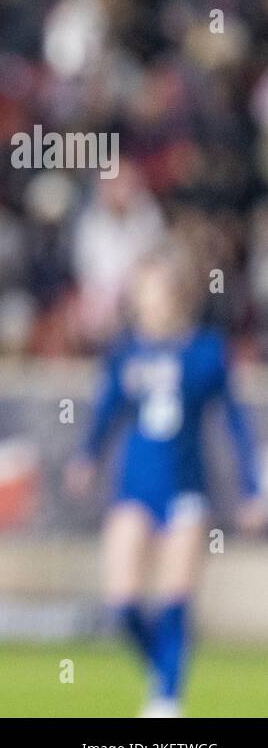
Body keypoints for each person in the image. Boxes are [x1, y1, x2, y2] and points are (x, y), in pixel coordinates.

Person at [66, 246, 267, 717]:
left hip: (185, 489)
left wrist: (251, 490)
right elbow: (108, 410)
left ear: (176, 294)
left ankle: (166, 701)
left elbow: (234, 423)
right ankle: (164, 670)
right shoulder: (126, 352)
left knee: (176, 596)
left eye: (151, 290)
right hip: (134, 486)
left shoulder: (205, 351)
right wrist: (88, 456)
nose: (143, 300)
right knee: (122, 602)